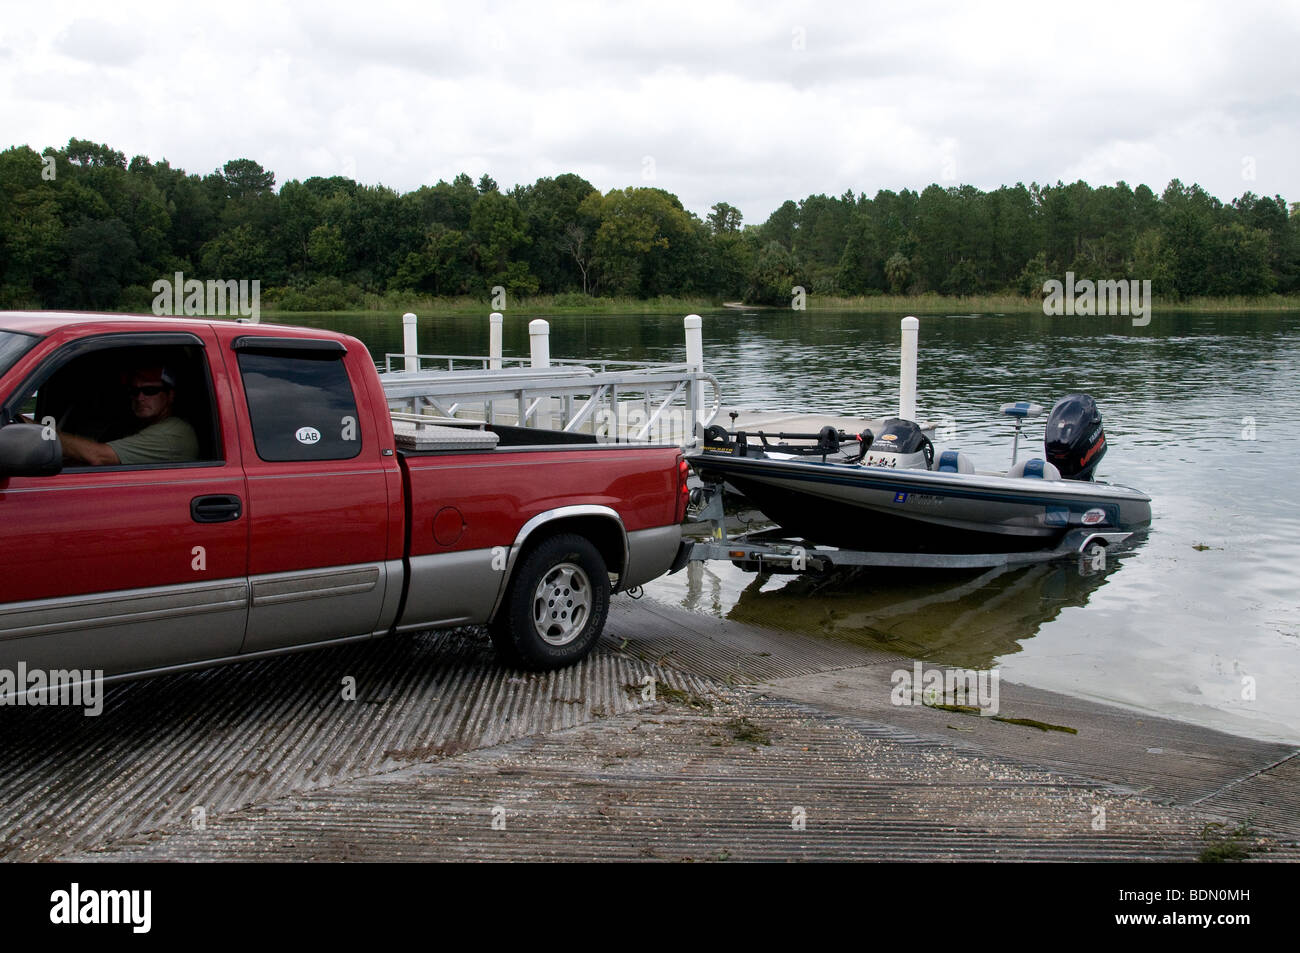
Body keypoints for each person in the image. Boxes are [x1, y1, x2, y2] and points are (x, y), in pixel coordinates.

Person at [59, 366, 199, 466]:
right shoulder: (141, 425)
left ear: (170, 396)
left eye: (150, 390)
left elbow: (98, 456)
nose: (140, 398)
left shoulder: (172, 433)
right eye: (134, 391)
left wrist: (43, 434)